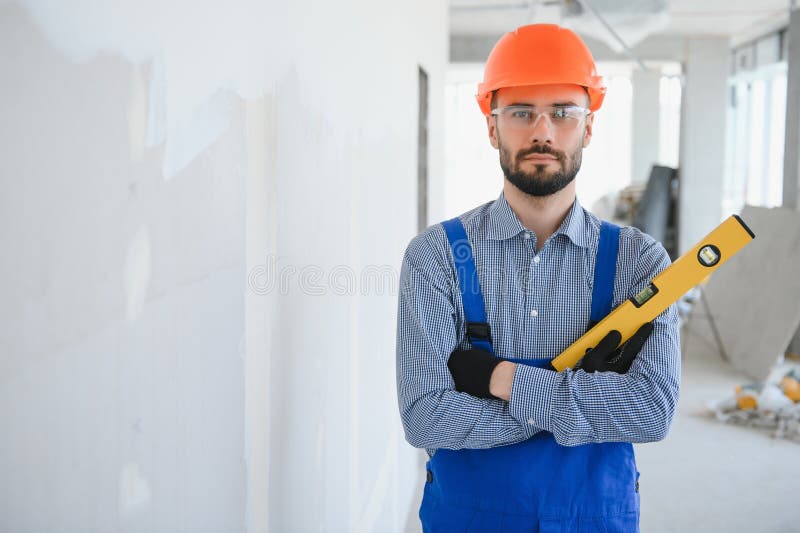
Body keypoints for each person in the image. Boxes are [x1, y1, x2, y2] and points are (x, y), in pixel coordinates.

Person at [396, 23, 680, 532]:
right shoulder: (436, 257)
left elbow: (651, 412)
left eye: (564, 113)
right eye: (521, 113)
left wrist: (500, 379)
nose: (542, 132)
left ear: (589, 127)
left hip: (593, 517)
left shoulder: (640, 264)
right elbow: (425, 416)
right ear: (491, 127)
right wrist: (581, 409)